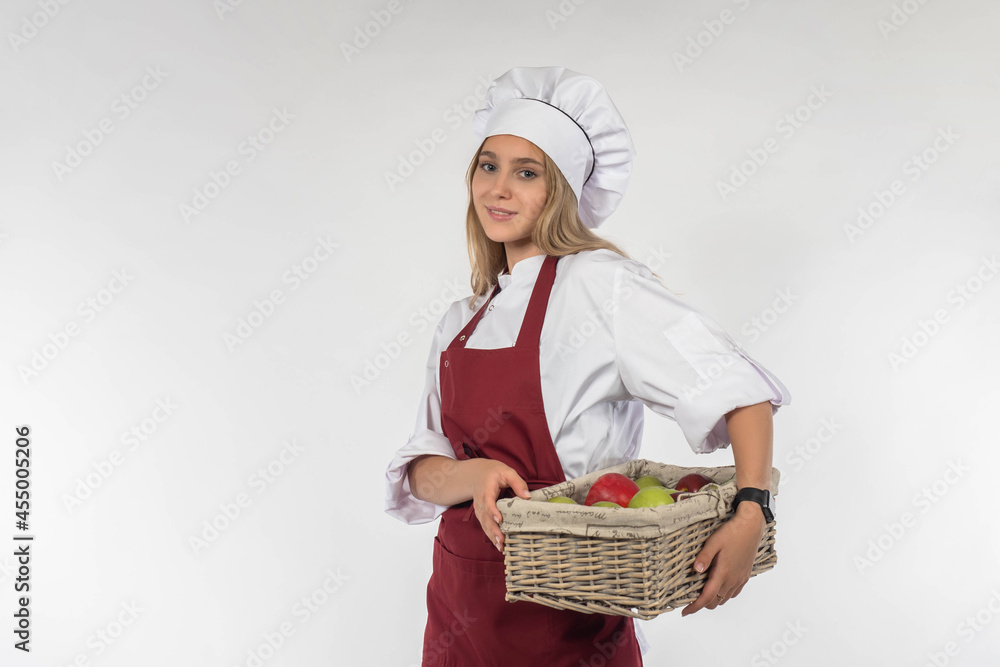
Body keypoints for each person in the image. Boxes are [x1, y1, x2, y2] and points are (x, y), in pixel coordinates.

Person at [384, 66, 791, 666]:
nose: (499, 188)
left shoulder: (599, 284)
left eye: (528, 173)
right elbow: (422, 470)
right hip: (460, 611)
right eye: (488, 165)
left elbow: (736, 389)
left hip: (570, 616)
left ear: (562, 192)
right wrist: (474, 477)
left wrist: (752, 506)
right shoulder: (460, 319)